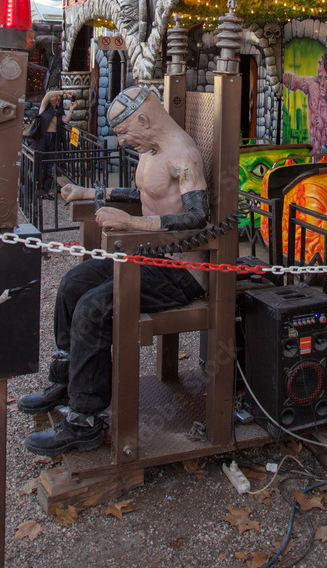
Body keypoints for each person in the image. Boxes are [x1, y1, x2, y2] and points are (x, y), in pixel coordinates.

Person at [18, 86, 209, 455]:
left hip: (180, 272)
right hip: (149, 257)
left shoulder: (184, 155)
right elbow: (146, 196)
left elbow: (197, 217)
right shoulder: (153, 149)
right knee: (73, 284)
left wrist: (133, 225)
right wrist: (91, 194)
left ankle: (84, 420)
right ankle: (68, 380)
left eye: (124, 132)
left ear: (143, 119)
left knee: (94, 307)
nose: (121, 140)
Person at [282, 53, 327, 155]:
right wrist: (283, 78)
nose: (322, 83)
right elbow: (296, 82)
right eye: (320, 77)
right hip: (314, 150)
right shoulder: (313, 84)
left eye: (325, 78)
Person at [32, 90, 76, 197]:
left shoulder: (58, 111)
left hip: (54, 138)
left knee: (49, 165)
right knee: (41, 164)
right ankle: (37, 189)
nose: (58, 98)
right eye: (55, 96)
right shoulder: (44, 108)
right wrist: (64, 92)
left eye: (59, 97)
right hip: (43, 138)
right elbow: (48, 95)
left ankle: (45, 191)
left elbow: (65, 121)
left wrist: (71, 110)